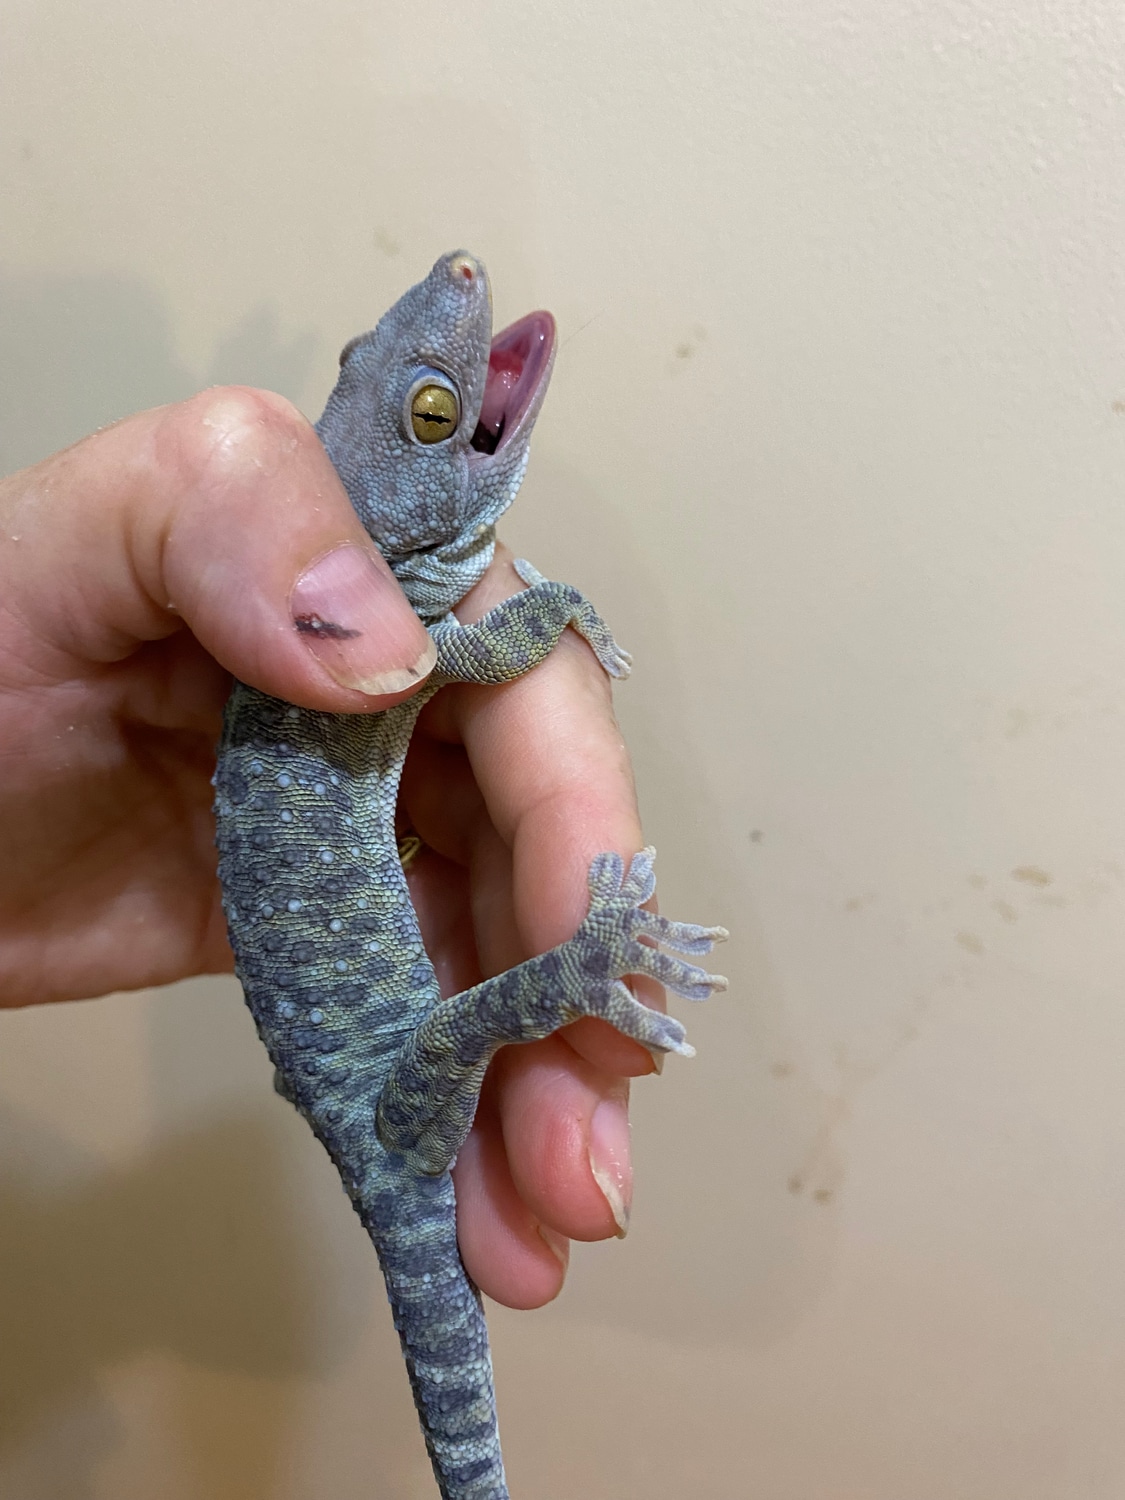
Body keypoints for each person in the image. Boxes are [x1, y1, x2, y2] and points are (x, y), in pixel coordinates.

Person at [0, 385, 661, 1311]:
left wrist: (552, 608)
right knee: (453, 1035)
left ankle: (575, 973)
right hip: (373, 1086)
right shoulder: (378, 644)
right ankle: (576, 974)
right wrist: (555, 607)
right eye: (430, 417)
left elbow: (478, 654)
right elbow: (481, 654)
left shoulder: (378, 641)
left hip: (366, 1089)